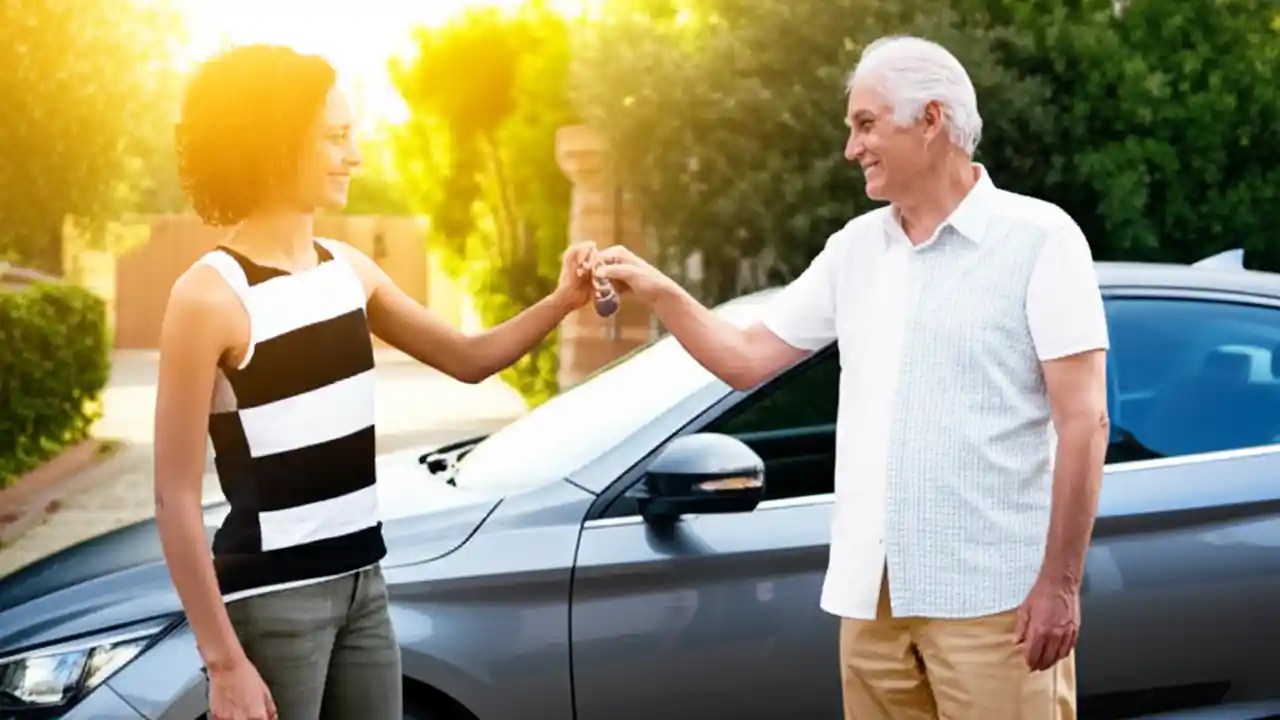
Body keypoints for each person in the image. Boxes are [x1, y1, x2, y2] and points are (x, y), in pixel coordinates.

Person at [592, 35, 1110, 719]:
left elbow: (1085, 421)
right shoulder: (855, 251)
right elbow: (746, 357)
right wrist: (660, 290)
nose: (850, 148)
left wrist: (1060, 586)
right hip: (874, 607)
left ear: (929, 120)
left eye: (866, 125)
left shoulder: (1041, 239)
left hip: (995, 605)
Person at [154, 44, 598, 720]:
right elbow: (174, 497)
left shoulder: (349, 271)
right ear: (274, 145)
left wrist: (564, 299)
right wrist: (224, 663)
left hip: (366, 587)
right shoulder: (210, 297)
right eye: (334, 137)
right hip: (273, 602)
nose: (354, 154)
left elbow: (469, 357)